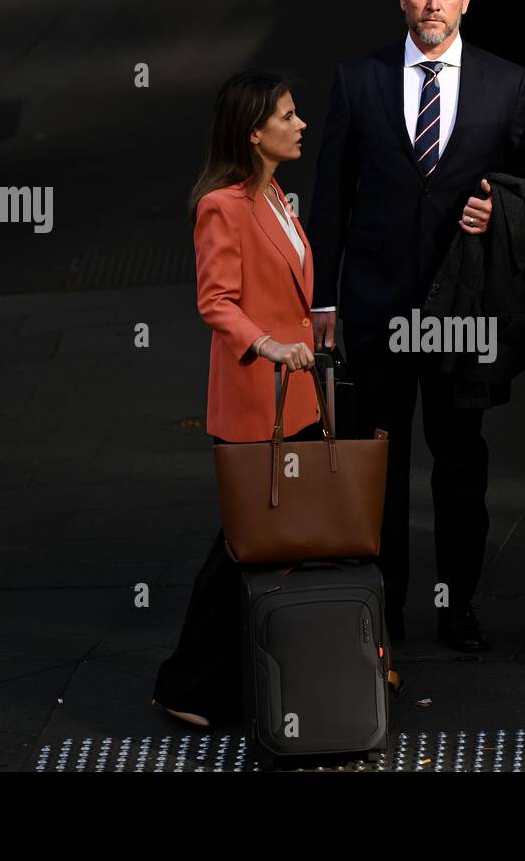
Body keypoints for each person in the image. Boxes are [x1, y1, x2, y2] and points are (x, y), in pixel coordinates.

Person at [307, 0, 525, 652]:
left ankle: (458, 607)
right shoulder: (359, 80)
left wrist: (498, 209)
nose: (433, 4)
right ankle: (384, 608)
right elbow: (331, 199)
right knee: (378, 465)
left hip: (463, 310)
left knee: (460, 463)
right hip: (377, 306)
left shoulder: (507, 84)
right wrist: (324, 302)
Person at [152, 70, 324, 727]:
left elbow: (286, 288)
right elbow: (215, 302)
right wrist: (270, 346)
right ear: (254, 132)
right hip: (257, 405)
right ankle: (187, 686)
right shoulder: (223, 204)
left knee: (259, 543)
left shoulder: (274, 192)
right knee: (240, 548)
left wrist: (311, 326)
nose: (300, 122)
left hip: (297, 399)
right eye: (287, 114)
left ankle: (232, 678)